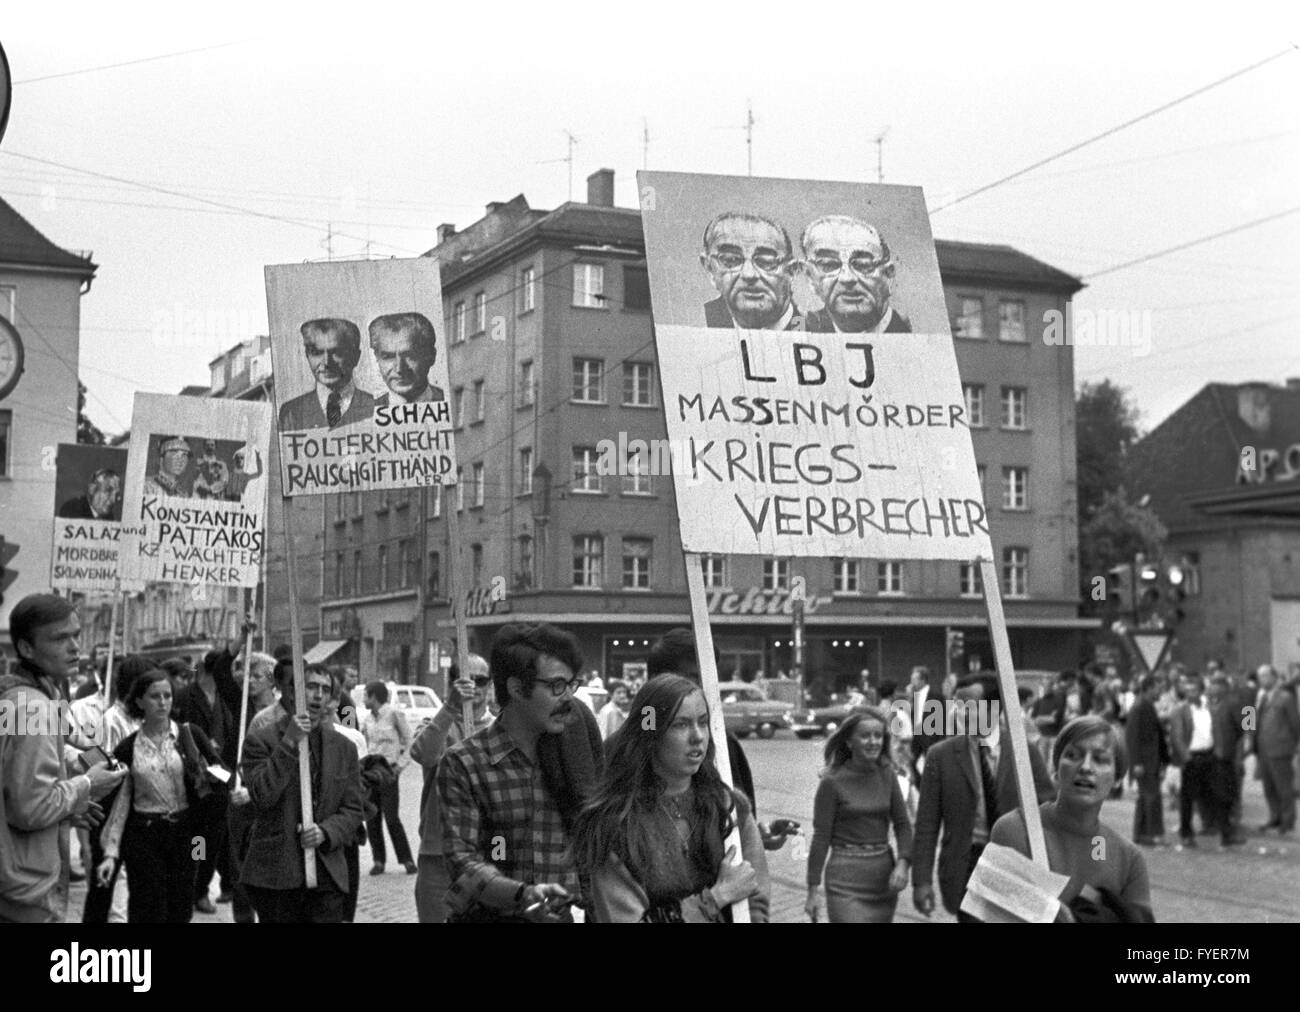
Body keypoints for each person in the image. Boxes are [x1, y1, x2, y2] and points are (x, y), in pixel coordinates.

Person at [571, 674, 770, 922]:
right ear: (650, 734)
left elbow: (755, 897)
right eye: (681, 724)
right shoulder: (614, 824)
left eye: (703, 722)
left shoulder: (728, 808)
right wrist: (716, 897)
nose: (698, 736)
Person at [437, 623, 596, 921]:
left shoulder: (576, 748)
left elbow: (596, 838)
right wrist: (523, 895)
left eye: (572, 685)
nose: (567, 698)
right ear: (516, 688)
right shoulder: (465, 763)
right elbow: (462, 861)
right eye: (556, 686)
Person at [0, 595, 127, 922]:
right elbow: (29, 807)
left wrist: (71, 805)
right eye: (59, 638)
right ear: (27, 649)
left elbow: (21, 778)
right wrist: (86, 785)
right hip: (23, 889)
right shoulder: (33, 706)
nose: (74, 646)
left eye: (76, 634)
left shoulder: (25, 696)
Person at [912, 674, 1054, 920]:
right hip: (966, 864)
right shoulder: (940, 756)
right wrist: (921, 881)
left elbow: (1048, 809)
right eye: (956, 705)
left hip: (1015, 865)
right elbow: (926, 824)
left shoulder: (1024, 751)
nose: (960, 713)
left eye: (969, 706)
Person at [990, 715, 1153, 922]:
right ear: (1056, 769)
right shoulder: (1014, 831)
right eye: (1073, 755)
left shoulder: (1128, 859)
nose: (1085, 767)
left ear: (1118, 779)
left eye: (1100, 759)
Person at [97, 668, 227, 923]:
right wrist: (111, 854)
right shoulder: (128, 748)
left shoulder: (190, 735)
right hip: (145, 838)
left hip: (190, 834)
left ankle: (201, 889)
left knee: (183, 902)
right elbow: (121, 804)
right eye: (155, 696)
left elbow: (222, 773)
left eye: (167, 695)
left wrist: (221, 780)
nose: (163, 702)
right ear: (139, 702)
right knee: (148, 907)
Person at [238, 661, 364, 922]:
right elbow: (262, 795)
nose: (318, 695)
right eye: (311, 687)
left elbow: (353, 809)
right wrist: (289, 742)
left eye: (325, 689)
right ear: (294, 692)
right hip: (277, 875)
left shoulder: (344, 748)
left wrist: (327, 831)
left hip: (326, 873)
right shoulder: (260, 740)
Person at [805, 708, 913, 923]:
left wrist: (903, 863)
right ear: (848, 742)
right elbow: (821, 837)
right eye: (865, 736)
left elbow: (903, 825)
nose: (873, 742)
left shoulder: (888, 776)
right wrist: (812, 891)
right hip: (844, 881)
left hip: (883, 879)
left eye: (878, 736)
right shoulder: (832, 782)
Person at [410, 656, 494, 923]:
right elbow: (423, 754)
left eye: (482, 680)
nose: (475, 687)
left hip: (488, 850)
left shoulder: (499, 729)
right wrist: (450, 707)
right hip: (438, 852)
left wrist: (503, 858)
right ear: (453, 683)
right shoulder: (437, 724)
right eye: (468, 680)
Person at [226, 650, 278, 924]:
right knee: (239, 866)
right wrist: (243, 646)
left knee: (266, 866)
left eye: (257, 676)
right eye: (249, 676)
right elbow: (227, 673)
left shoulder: (279, 715)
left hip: (265, 796)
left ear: (272, 681)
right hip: (238, 793)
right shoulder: (241, 705)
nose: (251, 682)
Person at [800, 216, 911, 333]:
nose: (847, 278)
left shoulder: (907, 331)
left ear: (888, 276)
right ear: (810, 277)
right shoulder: (803, 327)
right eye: (829, 264)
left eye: (862, 265)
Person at [698, 211, 801, 330]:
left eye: (765, 261)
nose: (749, 274)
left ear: (791, 271)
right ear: (710, 268)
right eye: (731, 260)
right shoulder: (691, 335)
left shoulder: (814, 329)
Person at [359, 680, 416, 875]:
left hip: (389, 771)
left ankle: (407, 860)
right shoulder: (367, 719)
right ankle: (378, 861)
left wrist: (399, 767)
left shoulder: (394, 715)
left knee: (392, 818)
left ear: (374, 696)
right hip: (371, 773)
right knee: (373, 818)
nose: (364, 699)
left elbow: (410, 741)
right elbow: (365, 743)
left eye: (366, 695)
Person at [277, 318, 375, 431]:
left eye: (337, 352)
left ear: (355, 357)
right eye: (317, 353)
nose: (327, 363)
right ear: (307, 356)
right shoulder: (291, 413)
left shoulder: (376, 407)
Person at [1169, 670, 1229, 846]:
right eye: (1187, 691)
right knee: (1188, 798)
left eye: (1194, 690)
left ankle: (1223, 830)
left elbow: (1217, 730)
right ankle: (1187, 832)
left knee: (1218, 793)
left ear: (1201, 690)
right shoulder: (1180, 710)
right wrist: (1187, 758)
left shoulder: (1210, 707)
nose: (1190, 694)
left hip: (1210, 755)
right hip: (1192, 758)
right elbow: (1177, 737)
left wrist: (1218, 750)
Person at [1255, 663, 1299, 835]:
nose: (1263, 680)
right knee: (1269, 786)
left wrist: (1293, 744)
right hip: (1263, 748)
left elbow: (1295, 724)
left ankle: (1288, 820)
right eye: (1260, 677)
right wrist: (1249, 735)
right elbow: (1250, 718)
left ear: (1274, 676)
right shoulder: (1260, 697)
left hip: (1280, 748)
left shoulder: (1285, 697)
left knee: (1283, 786)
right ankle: (1274, 816)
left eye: (1266, 676)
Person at [1125, 674, 1169, 846]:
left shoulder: (1146, 705)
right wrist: (1136, 763)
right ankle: (1153, 835)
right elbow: (1132, 736)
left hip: (1150, 760)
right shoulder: (1139, 706)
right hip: (1145, 761)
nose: (1161, 691)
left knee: (1145, 798)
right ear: (1149, 687)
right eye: (1159, 687)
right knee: (1152, 797)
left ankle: (1141, 834)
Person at [369, 312, 445, 405]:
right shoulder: (366, 413)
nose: (399, 369)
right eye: (388, 357)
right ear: (377, 358)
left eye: (410, 356)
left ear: (431, 356)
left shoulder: (450, 400)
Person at [57, 467, 123, 520]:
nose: (114, 500)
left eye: (116, 494)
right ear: (92, 489)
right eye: (108, 491)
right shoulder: (71, 510)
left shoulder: (109, 517)